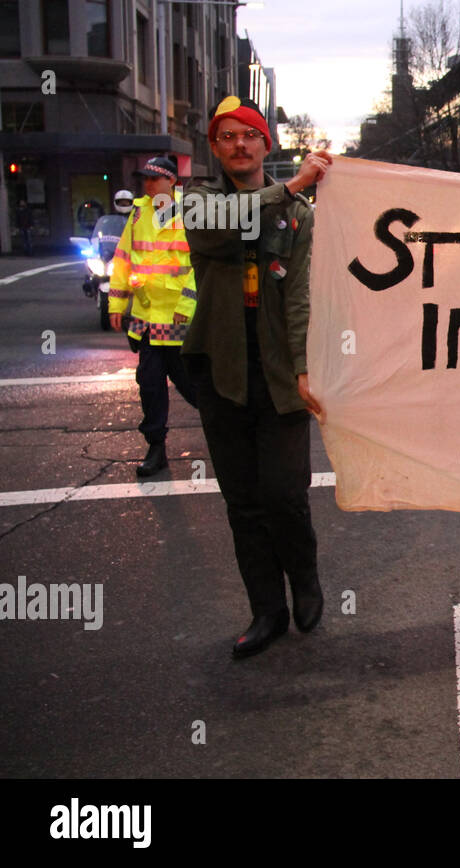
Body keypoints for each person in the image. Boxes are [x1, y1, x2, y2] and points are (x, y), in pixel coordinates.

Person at [181, 96, 332, 659]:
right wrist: (292, 185)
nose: (239, 145)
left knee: (283, 495)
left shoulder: (300, 216)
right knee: (242, 502)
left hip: (276, 375)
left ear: (265, 143)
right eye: (226, 137)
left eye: (249, 135)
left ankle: (306, 579)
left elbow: (298, 297)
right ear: (215, 148)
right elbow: (218, 232)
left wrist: (302, 368)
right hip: (221, 372)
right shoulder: (198, 200)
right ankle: (266, 609)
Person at [107, 156, 199, 477]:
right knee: (149, 384)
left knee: (190, 385)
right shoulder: (138, 213)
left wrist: (185, 309)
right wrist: (117, 305)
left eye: (154, 179)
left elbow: (199, 267)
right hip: (146, 320)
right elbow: (122, 260)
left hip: (175, 320)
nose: (147, 184)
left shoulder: (189, 212)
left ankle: (230, 429)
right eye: (144, 179)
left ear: (171, 181)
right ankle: (156, 447)